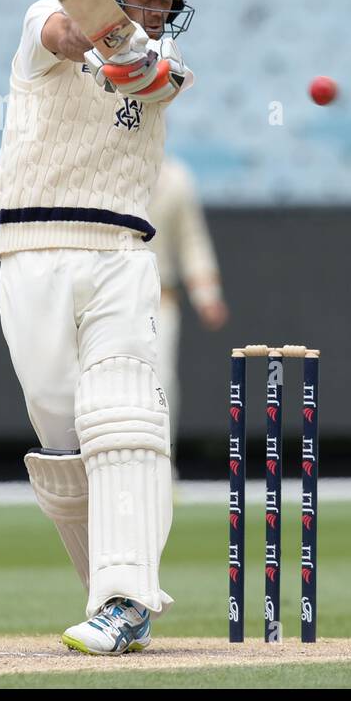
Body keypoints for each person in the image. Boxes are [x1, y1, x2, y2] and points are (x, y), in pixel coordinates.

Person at [0, 0, 196, 654]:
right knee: (63, 440)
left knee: (124, 417)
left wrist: (131, 47)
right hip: (29, 251)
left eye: (173, 1)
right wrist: (96, 31)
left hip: (118, 252)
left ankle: (127, 599)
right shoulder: (46, 13)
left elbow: (145, 80)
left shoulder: (166, 57)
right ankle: (105, 596)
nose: (164, 11)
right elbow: (57, 34)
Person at [148, 155, 229, 467]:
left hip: (160, 300)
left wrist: (207, 294)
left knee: (161, 384)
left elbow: (191, 240)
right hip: (107, 297)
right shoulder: (105, 168)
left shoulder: (176, 179)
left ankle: (161, 472)